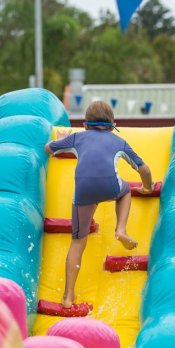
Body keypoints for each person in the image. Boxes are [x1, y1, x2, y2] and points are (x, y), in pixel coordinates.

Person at [44, 100, 153, 310]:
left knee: (77, 242)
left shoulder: (78, 137)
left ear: (85, 125)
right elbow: (145, 170)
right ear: (113, 124)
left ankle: (68, 296)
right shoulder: (118, 141)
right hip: (110, 187)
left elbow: (48, 148)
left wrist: (62, 141)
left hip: (84, 191)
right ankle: (120, 229)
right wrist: (147, 188)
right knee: (126, 191)